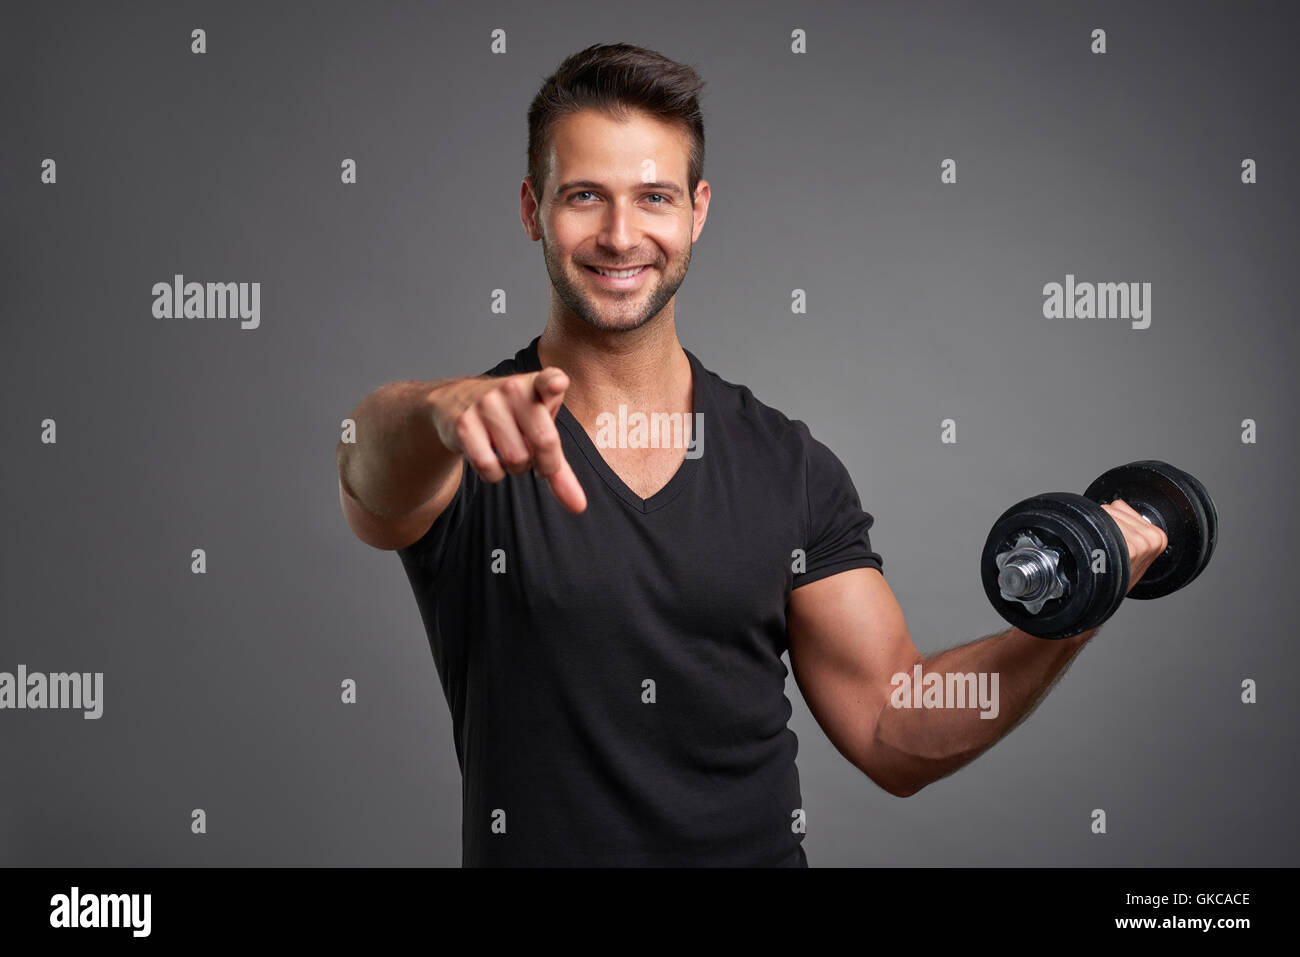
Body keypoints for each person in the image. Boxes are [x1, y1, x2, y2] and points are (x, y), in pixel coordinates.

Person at [335, 43, 1168, 866]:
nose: (621, 235)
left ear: (697, 210)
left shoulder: (788, 466)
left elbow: (891, 726)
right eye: (585, 195)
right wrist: (435, 410)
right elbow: (369, 471)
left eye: (653, 197)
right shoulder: (476, 442)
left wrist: (1079, 605)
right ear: (532, 209)